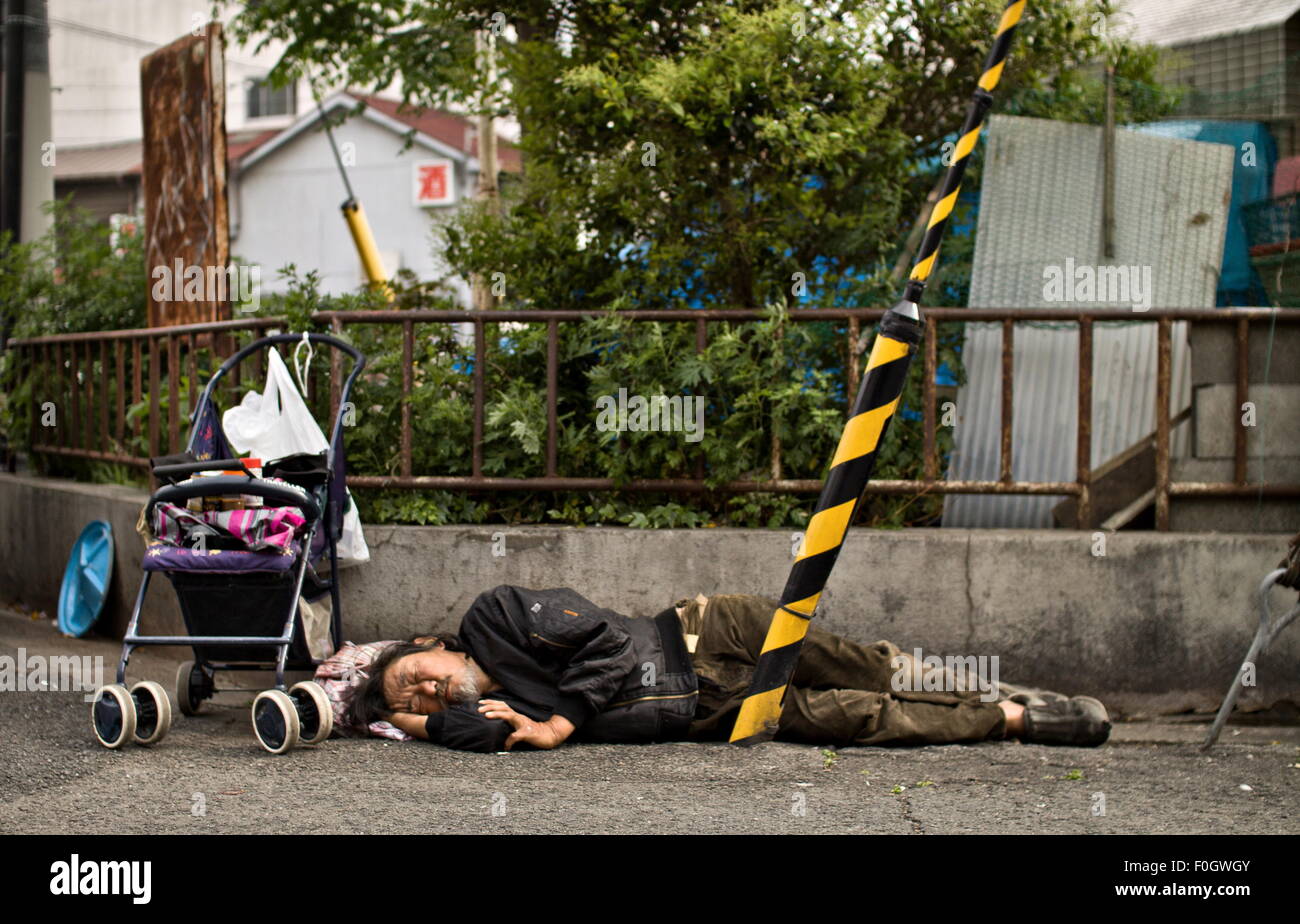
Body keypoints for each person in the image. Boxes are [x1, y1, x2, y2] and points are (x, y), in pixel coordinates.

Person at [347, 585, 1111, 752]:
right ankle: (1016, 718)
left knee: (864, 669)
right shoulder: (489, 715)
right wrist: (393, 714)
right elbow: (447, 728)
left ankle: (988, 687)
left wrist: (555, 722)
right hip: (707, 712)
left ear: (433, 641)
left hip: (708, 635)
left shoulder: (496, 618)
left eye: (417, 669)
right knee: (854, 719)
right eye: (410, 697)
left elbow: (609, 644)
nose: (427, 687)